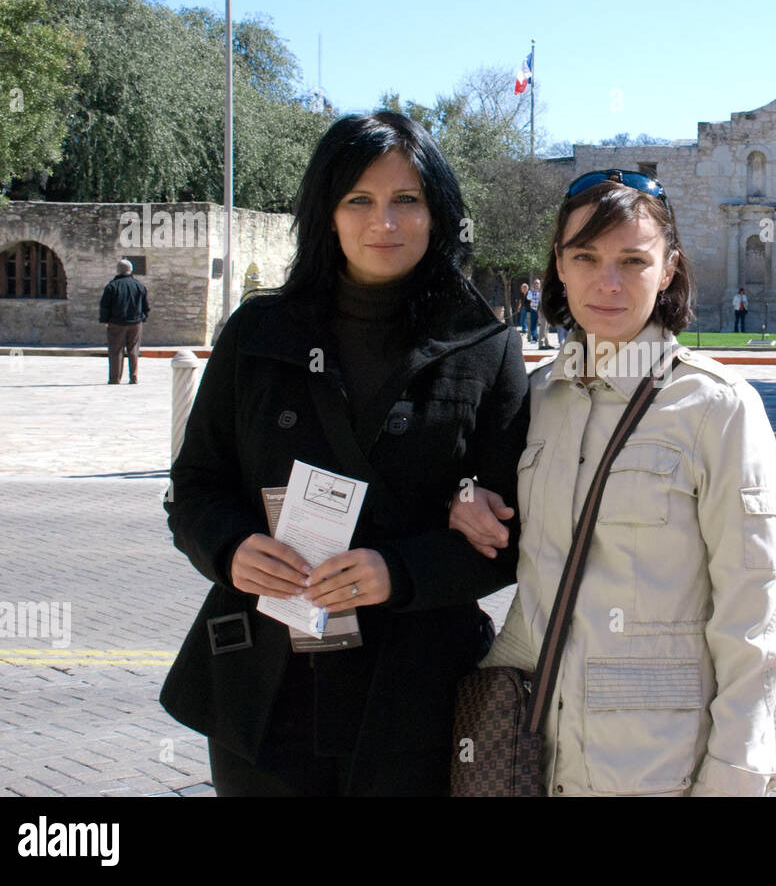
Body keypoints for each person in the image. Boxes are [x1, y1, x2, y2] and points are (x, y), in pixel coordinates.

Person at [159, 111, 529, 796]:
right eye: (358, 199)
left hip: (415, 699)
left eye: (405, 201)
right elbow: (193, 488)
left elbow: (510, 541)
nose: (382, 221)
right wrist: (231, 548)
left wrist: (400, 570)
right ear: (327, 213)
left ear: (438, 213)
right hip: (266, 689)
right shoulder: (257, 332)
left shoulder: (485, 348)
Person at [450, 169, 776, 796]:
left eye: (633, 260)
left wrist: (736, 772)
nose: (606, 282)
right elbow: (534, 577)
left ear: (668, 270)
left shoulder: (716, 407)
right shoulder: (536, 400)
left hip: (656, 767)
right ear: (558, 265)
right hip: (536, 753)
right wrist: (464, 498)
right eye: (585, 257)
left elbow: (754, 610)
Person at [98, 258, 150, 384]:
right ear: (130, 270)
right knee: (133, 350)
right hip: (135, 323)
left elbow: (105, 305)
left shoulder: (112, 286)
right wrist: (143, 317)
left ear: (118, 271)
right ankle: (133, 377)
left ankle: (115, 378)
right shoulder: (139, 286)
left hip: (116, 323)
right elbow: (146, 306)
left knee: (116, 350)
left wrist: (104, 320)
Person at [527, 278, 542, 342]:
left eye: (538, 283)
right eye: (535, 283)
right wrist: (531, 291)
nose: (536, 284)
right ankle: (534, 338)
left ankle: (540, 337)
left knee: (541, 324)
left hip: (540, 310)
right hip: (533, 309)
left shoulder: (541, 291)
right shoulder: (531, 291)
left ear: (540, 284)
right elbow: (528, 297)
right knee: (533, 324)